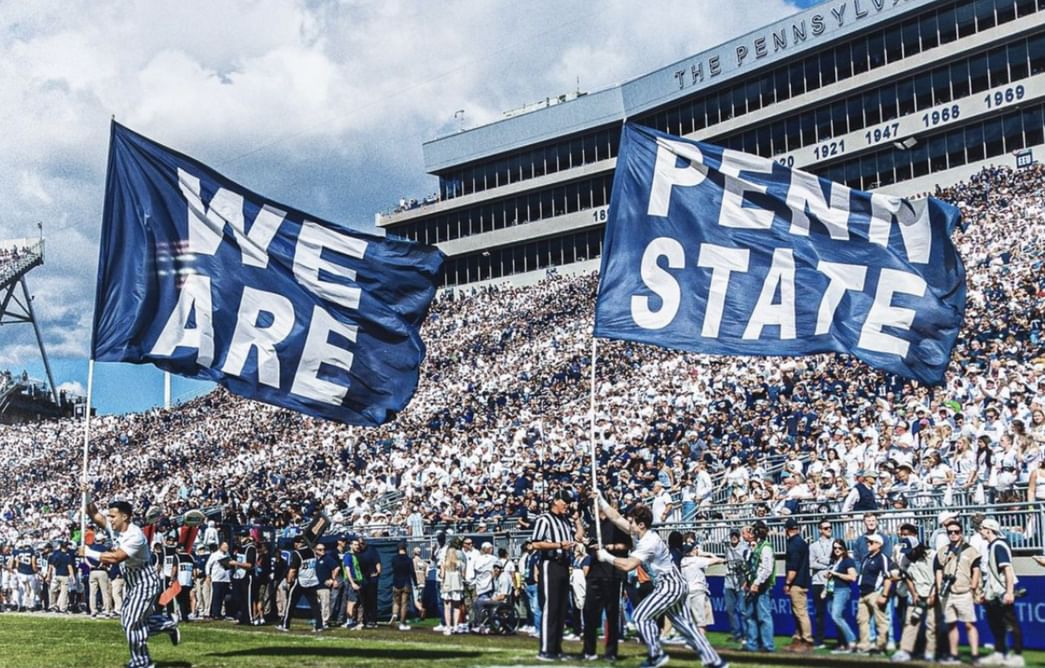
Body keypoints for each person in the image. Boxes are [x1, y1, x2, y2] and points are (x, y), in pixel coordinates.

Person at [594, 498, 726, 668]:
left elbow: (627, 565)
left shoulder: (649, 542)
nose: (629, 524)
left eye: (632, 522)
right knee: (685, 626)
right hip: (674, 583)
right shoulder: (639, 533)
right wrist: (601, 501)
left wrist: (607, 557)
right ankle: (714, 660)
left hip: (669, 585)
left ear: (641, 525)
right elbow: (617, 519)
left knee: (640, 616)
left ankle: (656, 655)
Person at [80, 486, 179, 668]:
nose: (109, 519)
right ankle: (167, 623)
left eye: (112, 516)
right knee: (131, 620)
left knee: (130, 621)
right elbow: (94, 513)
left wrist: (88, 552)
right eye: (109, 515)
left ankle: (142, 662)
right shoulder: (115, 528)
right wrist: (86, 494)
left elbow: (117, 557)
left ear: (124, 517)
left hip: (145, 580)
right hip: (132, 580)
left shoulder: (135, 535)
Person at [529, 492, 578, 661]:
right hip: (550, 564)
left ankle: (556, 648)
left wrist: (578, 519)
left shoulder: (565, 521)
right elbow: (535, 542)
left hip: (564, 565)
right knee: (550, 607)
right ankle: (545, 649)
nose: (567, 505)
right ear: (555, 501)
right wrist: (558, 545)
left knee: (562, 608)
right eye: (565, 501)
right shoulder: (544, 519)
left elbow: (577, 537)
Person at [580, 500, 630, 661]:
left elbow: (626, 546)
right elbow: (589, 546)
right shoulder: (594, 524)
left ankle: (611, 652)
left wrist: (609, 548)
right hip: (595, 572)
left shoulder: (618, 524)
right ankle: (589, 650)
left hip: (612, 573)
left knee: (612, 614)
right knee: (589, 612)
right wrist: (591, 546)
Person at [935, 519, 981, 664]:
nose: (953, 534)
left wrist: (973, 587)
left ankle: (975, 655)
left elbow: (976, 570)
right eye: (950, 532)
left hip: (964, 592)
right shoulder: (942, 551)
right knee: (951, 624)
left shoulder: (970, 550)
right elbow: (938, 570)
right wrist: (938, 587)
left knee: (969, 624)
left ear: (961, 533)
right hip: (947, 593)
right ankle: (954, 655)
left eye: (956, 532)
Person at [979, 518, 1023, 667]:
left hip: (1002, 592)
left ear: (988, 530)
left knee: (1011, 623)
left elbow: (1008, 570)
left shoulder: (998, 546)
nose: (980, 531)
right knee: (996, 624)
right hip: (994, 593)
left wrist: (1009, 592)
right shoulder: (993, 546)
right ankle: (999, 653)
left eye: (982, 528)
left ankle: (1017, 656)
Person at [891, 540, 936, 663]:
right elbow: (908, 577)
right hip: (917, 592)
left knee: (931, 624)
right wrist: (914, 593)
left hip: (932, 591)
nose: (908, 553)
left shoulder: (932, 555)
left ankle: (930, 652)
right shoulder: (906, 558)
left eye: (910, 550)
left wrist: (934, 594)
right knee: (910, 621)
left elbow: (939, 576)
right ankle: (905, 651)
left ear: (917, 548)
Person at [277, 534, 323, 633]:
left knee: (291, 603)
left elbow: (293, 570)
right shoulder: (312, 551)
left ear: (296, 543)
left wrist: (289, 581)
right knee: (315, 605)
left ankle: (285, 624)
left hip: (301, 581)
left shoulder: (297, 553)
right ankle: (319, 625)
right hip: (312, 580)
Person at [855, 533, 891, 655]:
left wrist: (884, 595)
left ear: (878, 544)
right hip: (863, 593)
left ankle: (881, 646)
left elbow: (888, 577)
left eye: (870, 542)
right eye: (868, 542)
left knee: (880, 621)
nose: (868, 544)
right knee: (862, 620)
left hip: (875, 593)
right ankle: (864, 645)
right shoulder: (866, 557)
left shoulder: (883, 558)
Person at [742, 521, 775, 653]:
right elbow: (752, 565)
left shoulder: (765, 547)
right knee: (750, 616)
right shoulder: (755, 547)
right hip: (752, 585)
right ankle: (752, 643)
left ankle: (768, 645)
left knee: (763, 617)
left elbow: (766, 569)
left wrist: (756, 583)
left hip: (761, 587)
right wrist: (748, 581)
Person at [782, 517, 813, 652]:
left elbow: (793, 568)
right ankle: (798, 638)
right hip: (803, 581)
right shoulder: (802, 542)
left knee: (800, 613)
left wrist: (788, 583)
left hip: (797, 583)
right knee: (798, 612)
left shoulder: (793, 544)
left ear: (787, 530)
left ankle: (807, 640)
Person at [826, 539, 858, 654]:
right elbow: (832, 577)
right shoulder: (834, 561)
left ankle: (852, 641)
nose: (837, 550)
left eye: (839, 548)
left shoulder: (847, 561)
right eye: (835, 548)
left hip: (842, 590)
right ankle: (842, 644)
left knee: (836, 616)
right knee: (836, 618)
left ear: (844, 549)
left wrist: (836, 574)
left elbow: (853, 577)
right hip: (831, 590)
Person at [808, 520, 834, 649]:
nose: (829, 529)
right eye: (826, 528)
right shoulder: (813, 546)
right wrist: (827, 564)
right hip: (818, 581)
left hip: (832, 581)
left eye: (830, 527)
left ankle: (841, 640)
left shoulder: (835, 543)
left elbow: (836, 560)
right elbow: (811, 563)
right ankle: (819, 640)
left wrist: (823, 561)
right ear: (820, 530)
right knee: (819, 613)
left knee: (835, 611)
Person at [723, 529, 749, 643]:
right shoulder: (727, 547)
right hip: (729, 581)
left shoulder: (744, 547)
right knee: (730, 609)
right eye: (732, 535)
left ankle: (747, 635)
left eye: (736, 535)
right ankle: (736, 634)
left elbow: (747, 563)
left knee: (743, 610)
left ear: (739, 537)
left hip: (741, 581)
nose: (734, 537)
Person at [229, 532, 257, 625]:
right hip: (238, 575)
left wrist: (236, 563)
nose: (241, 538)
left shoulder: (251, 548)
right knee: (238, 598)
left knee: (247, 598)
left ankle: (249, 619)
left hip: (247, 576)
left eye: (243, 536)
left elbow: (250, 565)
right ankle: (241, 617)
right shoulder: (240, 548)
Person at [390, 542, 416, 630]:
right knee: (404, 604)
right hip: (406, 583)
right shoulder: (409, 560)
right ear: (405, 548)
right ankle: (402, 623)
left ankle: (394, 615)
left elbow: (393, 569)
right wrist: (415, 583)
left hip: (396, 582)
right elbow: (412, 572)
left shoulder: (394, 559)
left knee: (396, 602)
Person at [206, 541, 232, 620]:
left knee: (222, 597)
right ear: (220, 546)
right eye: (224, 546)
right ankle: (214, 613)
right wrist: (208, 575)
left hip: (226, 579)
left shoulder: (228, 555)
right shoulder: (214, 555)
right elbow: (208, 565)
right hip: (217, 578)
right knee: (216, 596)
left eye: (227, 547)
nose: (226, 548)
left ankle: (220, 612)